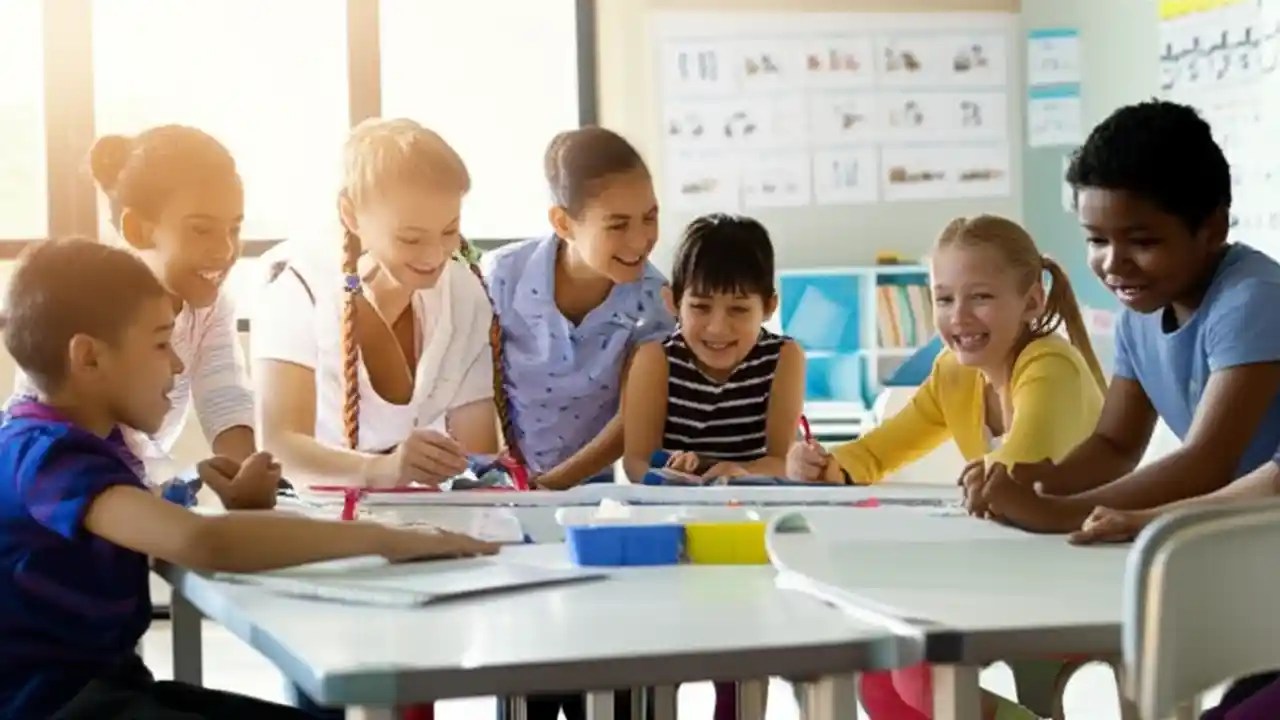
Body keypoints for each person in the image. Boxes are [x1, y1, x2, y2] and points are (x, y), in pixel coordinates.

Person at [0, 238, 497, 720]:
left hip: (104, 689)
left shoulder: (80, 444)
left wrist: (242, 507)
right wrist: (386, 539)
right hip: (56, 705)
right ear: (88, 357)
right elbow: (199, 541)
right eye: (159, 344)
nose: (175, 366)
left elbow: (158, 523)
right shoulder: (45, 454)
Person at [787, 215, 1105, 720]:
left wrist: (983, 484)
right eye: (943, 298)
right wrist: (824, 464)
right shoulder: (954, 374)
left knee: (918, 667)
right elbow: (876, 451)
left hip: (1080, 580)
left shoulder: (1052, 366)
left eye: (980, 297)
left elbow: (1016, 474)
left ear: (1031, 303)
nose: (958, 316)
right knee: (881, 674)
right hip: (1014, 571)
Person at [969, 100, 1280, 537]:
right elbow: (1114, 445)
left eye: (1143, 241)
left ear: (1213, 229)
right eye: (1096, 239)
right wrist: (1043, 481)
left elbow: (1208, 461)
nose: (1114, 264)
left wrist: (1063, 512)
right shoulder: (1141, 312)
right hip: (1240, 532)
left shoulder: (1254, 300)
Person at [9, 126, 260, 499]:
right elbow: (85, 427)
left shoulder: (210, 306)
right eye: (201, 230)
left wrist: (248, 480)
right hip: (63, 482)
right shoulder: (88, 303)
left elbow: (226, 397)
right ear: (138, 229)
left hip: (127, 485)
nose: (224, 249)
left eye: (234, 228)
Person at [253, 118, 500, 491]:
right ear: (351, 216)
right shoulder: (296, 284)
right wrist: (384, 470)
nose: (435, 255)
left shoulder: (463, 293)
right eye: (411, 239)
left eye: (449, 231)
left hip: (424, 512)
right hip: (315, 514)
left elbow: (478, 453)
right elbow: (279, 448)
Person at [482, 127, 673, 491]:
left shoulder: (654, 303)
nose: (640, 240)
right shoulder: (501, 277)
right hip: (494, 478)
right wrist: (500, 476)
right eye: (618, 225)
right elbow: (473, 388)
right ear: (563, 223)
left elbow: (632, 417)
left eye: (650, 217)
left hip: (587, 486)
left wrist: (552, 485)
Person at [624, 213, 805, 484]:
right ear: (673, 301)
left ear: (768, 307)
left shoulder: (784, 357)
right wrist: (668, 476)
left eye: (739, 309)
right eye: (700, 307)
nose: (717, 328)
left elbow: (783, 461)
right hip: (673, 507)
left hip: (754, 507)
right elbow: (637, 461)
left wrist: (742, 474)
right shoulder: (655, 360)